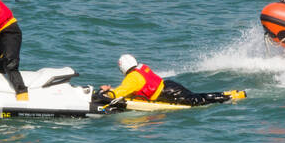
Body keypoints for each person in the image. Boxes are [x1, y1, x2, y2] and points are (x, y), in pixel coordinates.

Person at [99, 54, 242, 108]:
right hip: (169, 85)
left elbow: (119, 92)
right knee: (197, 97)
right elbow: (134, 89)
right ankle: (230, 95)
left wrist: (107, 93)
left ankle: (231, 96)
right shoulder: (140, 69)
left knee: (198, 101)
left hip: (169, 93)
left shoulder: (132, 78)